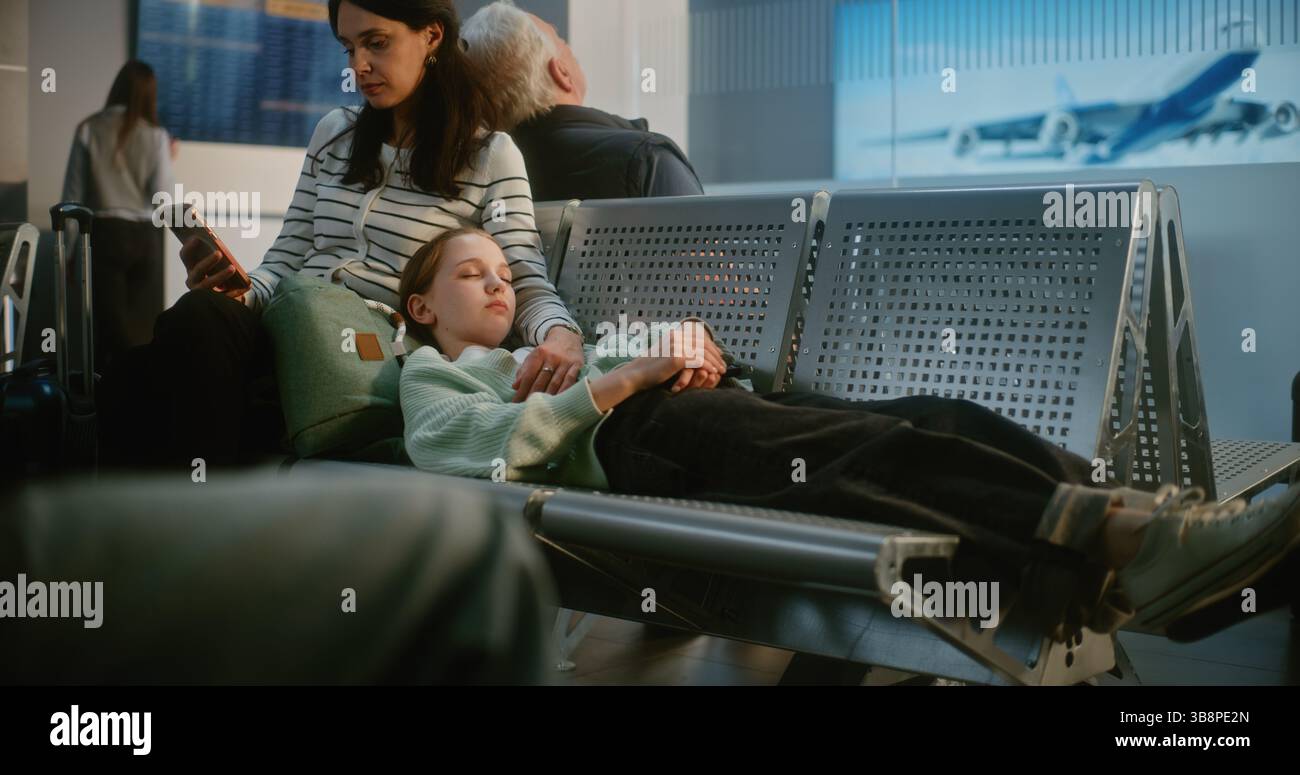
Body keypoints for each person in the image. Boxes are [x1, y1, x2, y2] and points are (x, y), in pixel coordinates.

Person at [397, 226, 1300, 641]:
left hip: (685, 420)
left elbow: (646, 361)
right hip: (637, 450)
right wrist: (629, 376)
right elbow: (463, 449)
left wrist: (694, 351)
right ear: (419, 304)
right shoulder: (434, 370)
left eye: (502, 272)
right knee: (860, 464)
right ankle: (1138, 550)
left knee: (926, 423)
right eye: (469, 274)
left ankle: (1144, 546)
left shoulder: (560, 346)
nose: (497, 285)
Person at [99, 0, 586, 468]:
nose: (360, 65)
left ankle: (185, 523)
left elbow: (523, 275)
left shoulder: (488, 155)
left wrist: (563, 337)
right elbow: (285, 259)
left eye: (376, 43)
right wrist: (240, 290)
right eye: (349, 48)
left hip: (376, 353)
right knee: (169, 343)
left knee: (153, 377)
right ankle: (191, 520)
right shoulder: (335, 133)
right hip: (292, 323)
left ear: (431, 35)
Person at [462, 0, 703, 200]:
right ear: (562, 73)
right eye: (562, 43)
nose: (568, 47)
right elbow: (706, 258)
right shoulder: (647, 161)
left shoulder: (478, 180)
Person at [61, 60, 175, 375]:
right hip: (145, 238)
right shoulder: (155, 137)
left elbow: (72, 199)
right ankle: (141, 408)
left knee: (105, 332)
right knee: (145, 332)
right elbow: (164, 198)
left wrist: (69, 253)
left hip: (103, 236)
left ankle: (102, 412)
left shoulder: (88, 128)